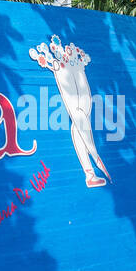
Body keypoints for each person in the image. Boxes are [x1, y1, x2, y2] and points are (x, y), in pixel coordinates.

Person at [28, 36, 111, 187]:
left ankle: (91, 172)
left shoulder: (74, 64)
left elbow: (79, 62)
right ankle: (93, 166)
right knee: (78, 125)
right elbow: (53, 63)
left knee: (77, 127)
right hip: (77, 106)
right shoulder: (59, 65)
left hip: (82, 104)